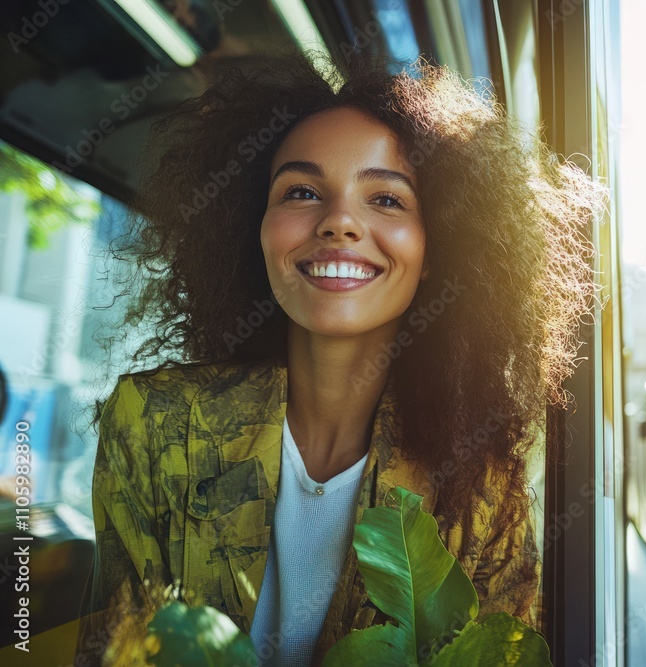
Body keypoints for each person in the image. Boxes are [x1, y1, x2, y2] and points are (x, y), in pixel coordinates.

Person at [74, 51, 602, 667]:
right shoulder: (152, 423)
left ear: (437, 248)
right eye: (302, 191)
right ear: (259, 229)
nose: (339, 222)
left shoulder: (483, 485)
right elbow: (114, 654)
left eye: (386, 199)